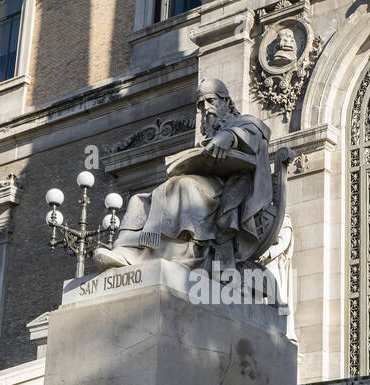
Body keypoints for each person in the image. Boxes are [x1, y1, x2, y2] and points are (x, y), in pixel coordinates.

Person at [114, 79, 273, 269]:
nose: (206, 108)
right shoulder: (209, 134)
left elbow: (258, 131)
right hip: (207, 183)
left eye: (211, 101)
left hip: (231, 188)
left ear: (226, 102)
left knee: (182, 186)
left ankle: (187, 248)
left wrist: (230, 136)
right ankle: (127, 247)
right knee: (139, 200)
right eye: (201, 104)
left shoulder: (242, 122)